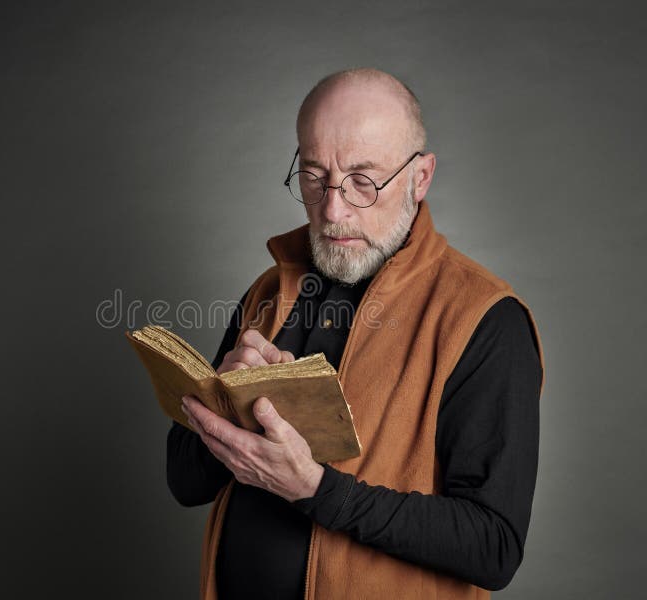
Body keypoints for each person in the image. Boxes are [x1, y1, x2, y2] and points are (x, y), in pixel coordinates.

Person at [166, 68, 545, 599]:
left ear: (421, 176)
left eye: (363, 181)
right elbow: (185, 484)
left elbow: (494, 547)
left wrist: (313, 489)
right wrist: (222, 404)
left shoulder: (485, 318)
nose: (332, 209)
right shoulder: (268, 293)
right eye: (314, 177)